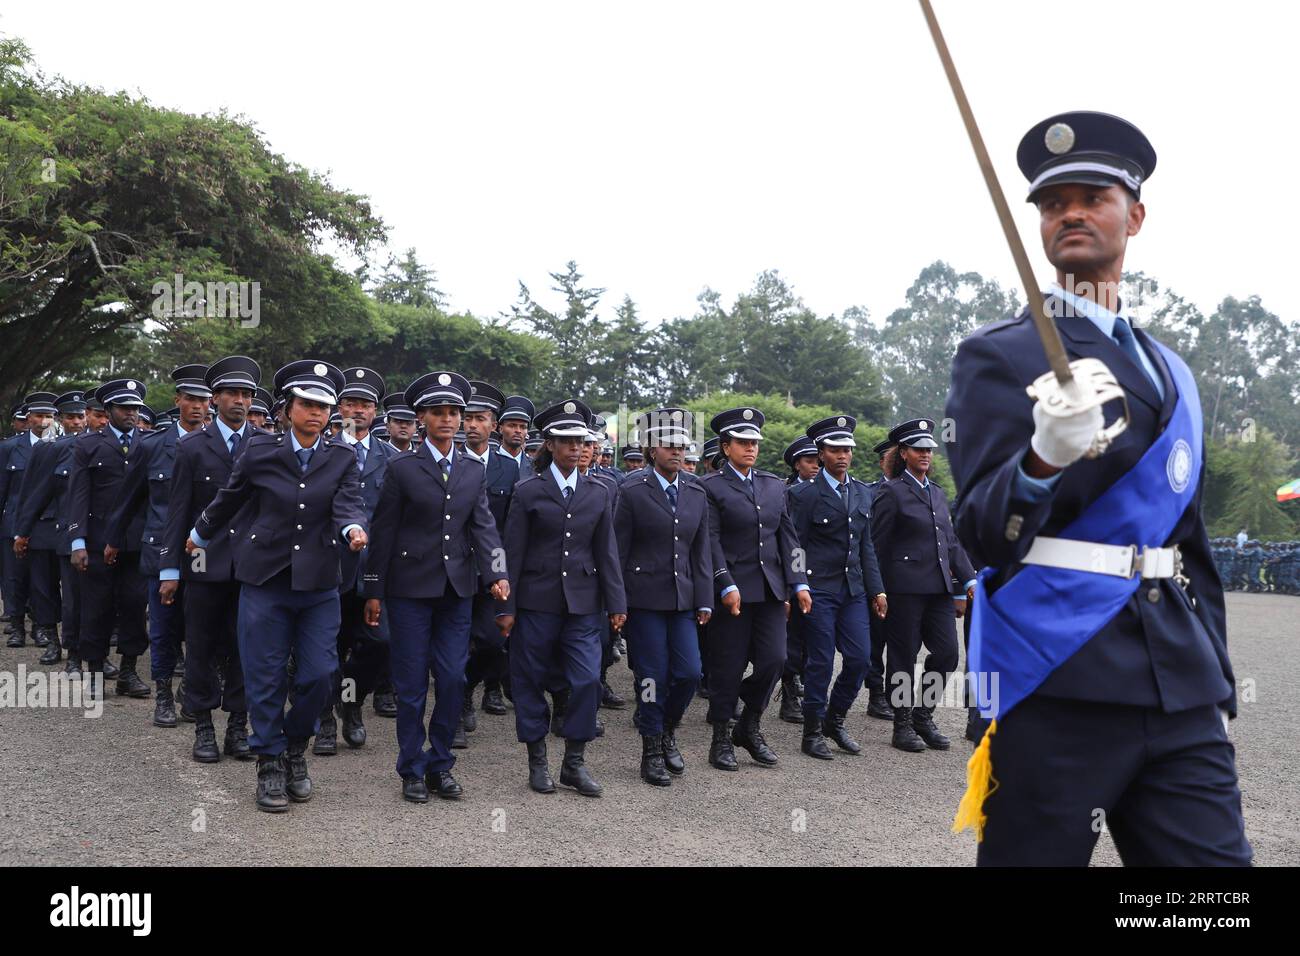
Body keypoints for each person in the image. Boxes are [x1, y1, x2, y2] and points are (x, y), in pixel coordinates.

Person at [945, 111, 1249, 865]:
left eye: (1091, 196)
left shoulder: (1172, 370)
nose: (1070, 214)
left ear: (1134, 215)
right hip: (1058, 676)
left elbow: (1189, 539)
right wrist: (1041, 460)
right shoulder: (998, 354)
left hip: (1177, 686)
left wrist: (1212, 663)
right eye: (1053, 204)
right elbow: (981, 532)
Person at [184, 360, 367, 812]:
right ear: (287, 408)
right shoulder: (261, 451)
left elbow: (349, 506)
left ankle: (294, 748)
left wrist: (353, 530)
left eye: (323, 407)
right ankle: (269, 762)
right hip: (264, 579)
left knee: (321, 675)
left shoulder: (342, 458)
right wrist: (200, 533)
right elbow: (230, 497)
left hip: (319, 584)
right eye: (306, 404)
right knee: (264, 677)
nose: (315, 413)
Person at [364, 371, 508, 803]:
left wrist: (498, 573)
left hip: (456, 591)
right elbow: (383, 531)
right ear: (422, 418)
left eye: (454, 413)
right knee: (410, 685)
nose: (448, 419)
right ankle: (411, 766)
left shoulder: (470, 469)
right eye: (438, 412)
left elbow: (485, 527)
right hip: (408, 590)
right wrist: (373, 589)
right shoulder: (402, 467)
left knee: (450, 677)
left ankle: (441, 762)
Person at [496, 400, 626, 797]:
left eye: (580, 440)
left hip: (584, 603)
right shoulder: (527, 490)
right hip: (536, 601)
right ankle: (538, 760)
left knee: (587, 680)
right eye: (566, 440)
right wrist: (505, 606)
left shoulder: (598, 491)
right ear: (550, 445)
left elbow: (607, 550)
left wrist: (617, 602)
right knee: (530, 680)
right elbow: (511, 551)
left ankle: (574, 761)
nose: (575, 447)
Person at [159, 356, 260, 763]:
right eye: (232, 393)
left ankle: (238, 725)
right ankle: (203, 725)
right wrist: (169, 569)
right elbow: (178, 511)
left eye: (246, 394)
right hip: (203, 563)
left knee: (246, 646)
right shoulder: (192, 447)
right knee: (199, 645)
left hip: (254, 565)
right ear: (215, 398)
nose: (240, 400)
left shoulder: (263, 444)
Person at [700, 407, 810, 770]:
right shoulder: (711, 487)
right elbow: (709, 541)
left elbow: (789, 540)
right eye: (743, 443)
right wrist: (723, 582)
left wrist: (799, 582)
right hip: (732, 591)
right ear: (726, 446)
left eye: (754, 443)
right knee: (727, 666)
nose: (751, 449)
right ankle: (720, 739)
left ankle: (748, 724)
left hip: (771, 590)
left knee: (775, 660)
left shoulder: (773, 485)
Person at [106, 365, 211, 727]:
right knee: (164, 627)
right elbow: (130, 499)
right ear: (177, 400)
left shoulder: (218, 446)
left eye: (203, 400)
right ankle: (163, 693)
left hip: (202, 552)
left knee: (201, 626)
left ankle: (192, 691)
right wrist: (114, 540)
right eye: (191, 399)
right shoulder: (151, 445)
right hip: (159, 550)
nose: (197, 406)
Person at [614, 408, 711, 786]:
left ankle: (668, 728)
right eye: (668, 446)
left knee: (689, 673)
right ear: (651, 450)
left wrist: (704, 598)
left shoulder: (695, 491)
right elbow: (617, 551)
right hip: (644, 599)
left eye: (681, 447)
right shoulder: (633, 490)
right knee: (652, 675)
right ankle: (651, 747)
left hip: (683, 598)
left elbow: (700, 551)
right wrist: (617, 602)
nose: (677, 452)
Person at [870, 419, 975, 753]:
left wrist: (969, 579)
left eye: (929, 448)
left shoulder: (938, 494)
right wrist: (878, 589)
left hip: (940, 590)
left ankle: (923, 715)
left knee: (947, 655)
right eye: (919, 448)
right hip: (904, 590)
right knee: (903, 656)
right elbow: (877, 545)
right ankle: (901, 725)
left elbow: (952, 543)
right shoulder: (892, 491)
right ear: (904, 452)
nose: (926, 454)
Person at [787, 416, 886, 759]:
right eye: (835, 449)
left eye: (847, 449)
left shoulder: (862, 492)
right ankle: (812, 731)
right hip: (819, 589)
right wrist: (798, 584)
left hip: (853, 589)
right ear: (822, 452)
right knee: (821, 662)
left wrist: (877, 590)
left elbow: (866, 546)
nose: (843, 455)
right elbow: (795, 544)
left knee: (860, 659)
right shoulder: (804, 494)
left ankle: (835, 719)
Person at [67, 379, 152, 699]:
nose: (131, 414)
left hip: (135, 542)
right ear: (109, 411)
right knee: (96, 607)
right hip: (98, 541)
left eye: (135, 409)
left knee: (133, 606)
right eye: (124, 408)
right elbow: (78, 494)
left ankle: (128, 670)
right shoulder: (88, 444)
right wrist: (77, 541)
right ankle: (94, 669)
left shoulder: (148, 443)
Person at [459, 381, 519, 736]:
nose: (471, 425)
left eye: (479, 419)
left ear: (492, 425)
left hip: (491, 571)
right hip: (450, 567)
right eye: (467, 418)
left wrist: (503, 571)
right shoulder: (446, 460)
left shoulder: (509, 469)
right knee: (452, 644)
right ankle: (455, 707)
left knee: (494, 641)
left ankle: (467, 687)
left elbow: (510, 527)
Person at [14, 391, 88, 669]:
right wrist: (23, 531)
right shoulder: (48, 449)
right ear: (61, 420)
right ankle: (52, 642)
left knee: (75, 597)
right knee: (44, 589)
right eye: (71, 417)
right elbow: (33, 493)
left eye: (81, 416)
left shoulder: (93, 446)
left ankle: (77, 651)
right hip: (47, 527)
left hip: (75, 531)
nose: (77, 422)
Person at [3, 393, 58, 651]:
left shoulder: (60, 446)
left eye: (48, 416)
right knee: (14, 577)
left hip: (45, 522)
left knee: (41, 580)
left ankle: (40, 627)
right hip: (13, 521)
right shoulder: (10, 448)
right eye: (39, 415)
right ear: (28, 418)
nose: (43, 421)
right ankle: (16, 626)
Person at [776, 433, 820, 722]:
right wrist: (795, 580)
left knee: (815, 639)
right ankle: (789, 691)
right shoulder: (786, 493)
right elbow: (791, 541)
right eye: (809, 461)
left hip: (825, 574)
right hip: (796, 570)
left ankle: (808, 689)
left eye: (818, 460)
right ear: (796, 464)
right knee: (794, 638)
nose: (815, 465)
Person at [863, 437, 896, 720]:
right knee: (875, 641)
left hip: (906, 580)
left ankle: (899, 699)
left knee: (903, 644)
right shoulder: (871, 492)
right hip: (878, 577)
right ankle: (876, 693)